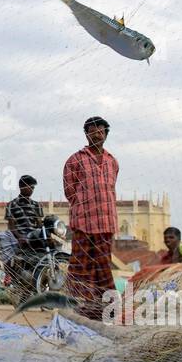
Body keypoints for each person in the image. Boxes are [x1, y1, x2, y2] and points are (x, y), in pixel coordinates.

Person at [62, 116, 118, 319]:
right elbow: (70, 191)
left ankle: (105, 307)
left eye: (102, 131)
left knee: (103, 265)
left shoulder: (113, 161)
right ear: (86, 134)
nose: (98, 134)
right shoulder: (75, 160)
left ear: (106, 134)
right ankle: (81, 305)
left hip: (106, 222)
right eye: (93, 130)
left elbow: (111, 189)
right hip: (84, 222)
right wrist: (84, 206)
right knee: (82, 265)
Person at [5, 174, 46, 285]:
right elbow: (11, 226)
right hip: (20, 239)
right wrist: (19, 237)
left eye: (33, 188)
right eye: (30, 187)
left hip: (35, 239)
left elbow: (39, 224)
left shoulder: (37, 205)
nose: (32, 190)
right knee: (12, 259)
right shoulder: (11, 205)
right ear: (22, 187)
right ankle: (12, 280)